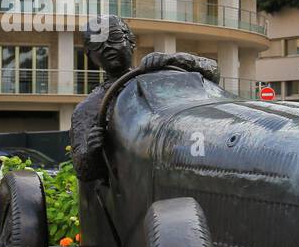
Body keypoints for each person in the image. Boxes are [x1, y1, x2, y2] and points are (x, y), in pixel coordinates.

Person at [71, 14, 219, 183]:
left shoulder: (162, 78)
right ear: (89, 56)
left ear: (131, 41)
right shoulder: (89, 108)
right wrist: (91, 150)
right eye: (97, 44)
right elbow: (83, 171)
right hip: (130, 188)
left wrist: (172, 59)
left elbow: (212, 72)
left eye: (114, 38)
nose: (107, 48)